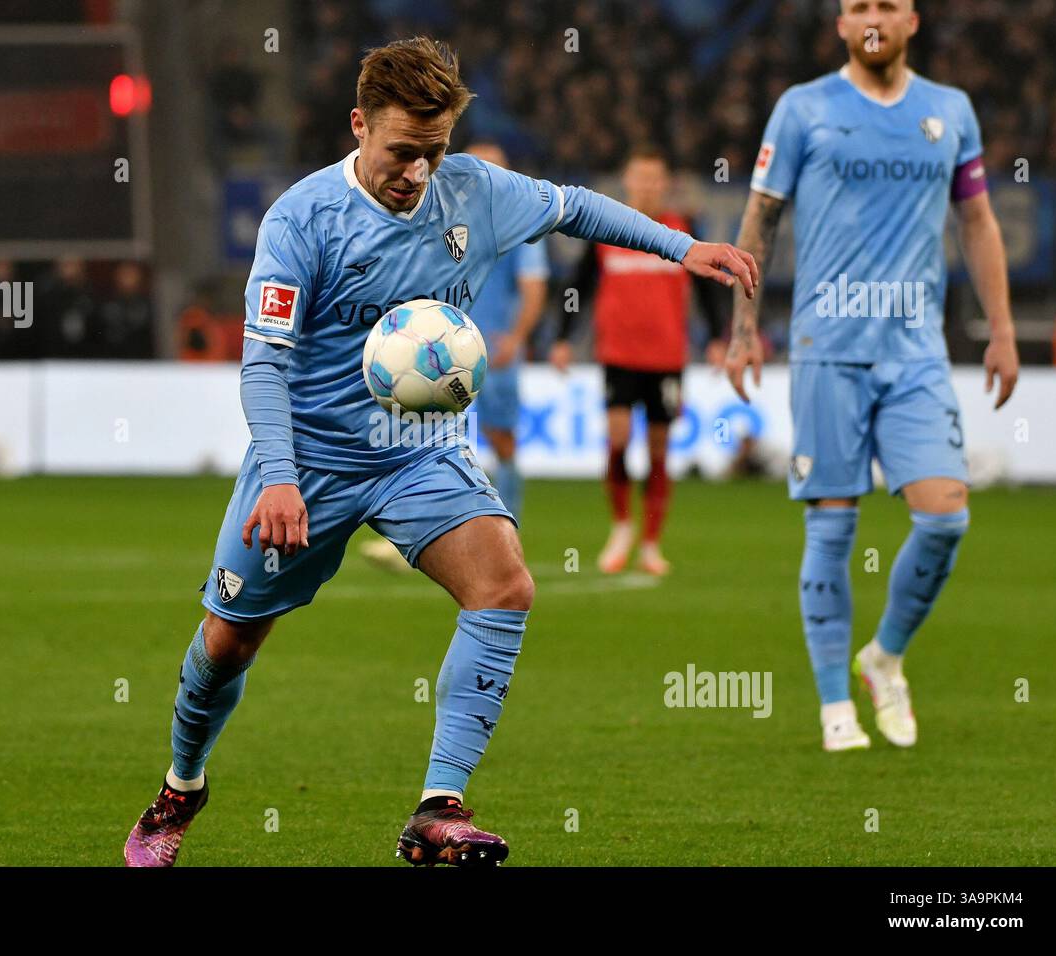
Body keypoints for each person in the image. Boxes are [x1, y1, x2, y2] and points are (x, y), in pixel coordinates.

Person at [123, 36, 758, 868]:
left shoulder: (476, 192)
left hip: (418, 450)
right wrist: (278, 476)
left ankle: (437, 808)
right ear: (358, 126)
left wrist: (681, 248)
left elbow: (575, 207)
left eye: (433, 152)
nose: (417, 173)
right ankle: (181, 787)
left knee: (504, 585)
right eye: (399, 153)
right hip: (309, 461)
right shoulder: (302, 221)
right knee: (228, 642)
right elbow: (265, 363)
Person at [726, 0, 1019, 752]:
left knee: (946, 516)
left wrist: (1003, 330)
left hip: (916, 349)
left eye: (886, 4)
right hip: (828, 346)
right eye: (858, 6)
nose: (872, 17)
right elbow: (759, 219)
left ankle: (883, 656)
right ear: (841, 24)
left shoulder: (949, 111)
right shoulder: (803, 109)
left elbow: (978, 222)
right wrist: (743, 328)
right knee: (831, 525)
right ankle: (834, 707)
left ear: (912, 20)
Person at [359, 139, 549, 573]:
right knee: (426, 442)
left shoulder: (519, 226)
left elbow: (535, 288)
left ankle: (507, 528)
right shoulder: (437, 219)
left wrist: (516, 337)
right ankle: (414, 534)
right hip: (432, 356)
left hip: (491, 350)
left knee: (502, 441)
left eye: (494, 169)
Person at [553, 146, 729, 575]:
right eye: (639, 177)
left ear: (665, 184)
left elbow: (708, 288)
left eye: (655, 178)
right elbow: (579, 285)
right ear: (627, 182)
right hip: (618, 353)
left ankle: (651, 543)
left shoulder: (683, 230)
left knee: (658, 451)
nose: (647, 186)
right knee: (616, 439)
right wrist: (561, 337)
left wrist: (718, 336)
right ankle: (621, 526)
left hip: (667, 356)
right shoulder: (608, 229)